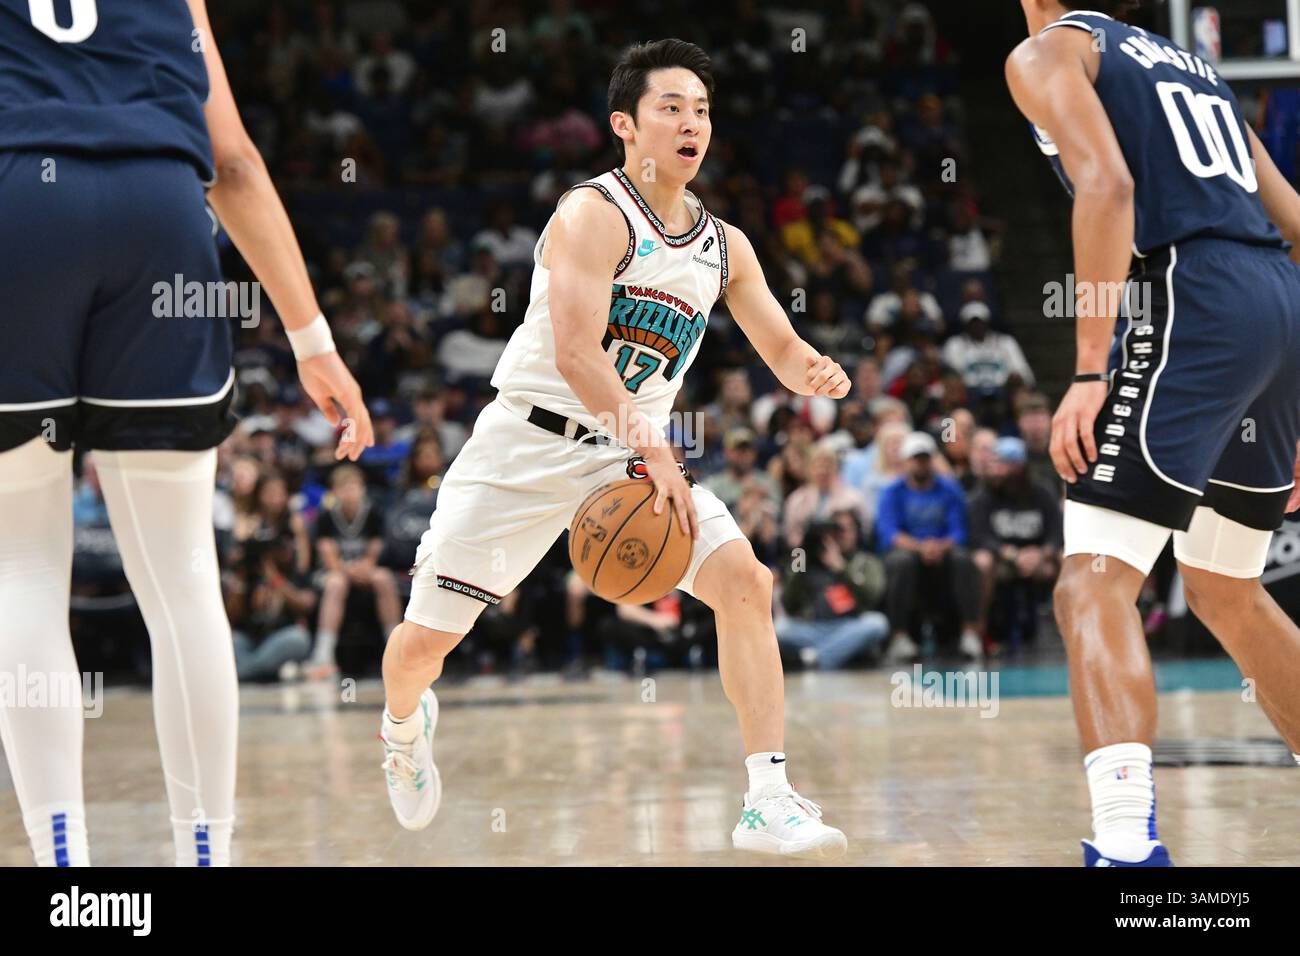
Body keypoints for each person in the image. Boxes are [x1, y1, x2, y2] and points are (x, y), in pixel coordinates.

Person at [378, 39, 851, 859]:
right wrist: (659, 448)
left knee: (747, 581)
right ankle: (401, 728)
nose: (690, 122)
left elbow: (779, 345)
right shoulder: (591, 213)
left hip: (625, 459)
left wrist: (812, 371)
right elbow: (576, 353)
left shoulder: (726, 245)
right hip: (526, 447)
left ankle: (767, 799)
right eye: (670, 107)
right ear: (625, 125)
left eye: (701, 109)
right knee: (422, 648)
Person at [0, 0, 372, 867]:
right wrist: (312, 339)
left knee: (19, 565)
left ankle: (65, 871)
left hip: (17, 206)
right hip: (159, 212)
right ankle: (203, 858)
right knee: (182, 578)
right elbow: (235, 163)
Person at [1009, 0, 1300, 866]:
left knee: (1090, 582)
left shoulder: (1050, 51)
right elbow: (1294, 217)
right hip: (1273, 302)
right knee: (1224, 590)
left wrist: (1091, 367)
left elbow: (1108, 187)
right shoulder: (1192, 66)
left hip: (1194, 293)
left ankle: (1128, 851)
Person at [876, 432, 983, 662]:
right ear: (905, 461)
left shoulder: (950, 488)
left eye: (925, 458)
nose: (921, 463)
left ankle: (970, 633)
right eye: (916, 458)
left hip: (942, 551)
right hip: (909, 552)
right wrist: (921, 547)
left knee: (964, 560)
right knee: (901, 561)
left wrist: (938, 546)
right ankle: (899, 636)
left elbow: (958, 531)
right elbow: (889, 534)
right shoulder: (892, 492)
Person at [967, 437, 1062, 651]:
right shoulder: (984, 494)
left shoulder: (1041, 492)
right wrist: (1013, 555)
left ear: (1020, 466)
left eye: (1004, 465)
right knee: (982, 562)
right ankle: (976, 631)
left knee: (1067, 558)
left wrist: (1042, 553)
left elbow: (1056, 532)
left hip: (1039, 558)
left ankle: (1074, 628)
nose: (998, 471)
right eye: (995, 464)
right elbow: (979, 536)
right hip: (1004, 559)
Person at [777, 518, 888, 670]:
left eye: (845, 531)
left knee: (877, 623)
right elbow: (788, 604)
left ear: (856, 534)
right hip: (813, 628)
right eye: (832, 534)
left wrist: (842, 568)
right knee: (780, 628)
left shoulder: (865, 561)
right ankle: (835, 652)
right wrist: (801, 557)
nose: (838, 538)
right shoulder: (805, 564)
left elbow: (871, 597)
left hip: (849, 626)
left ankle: (815, 658)